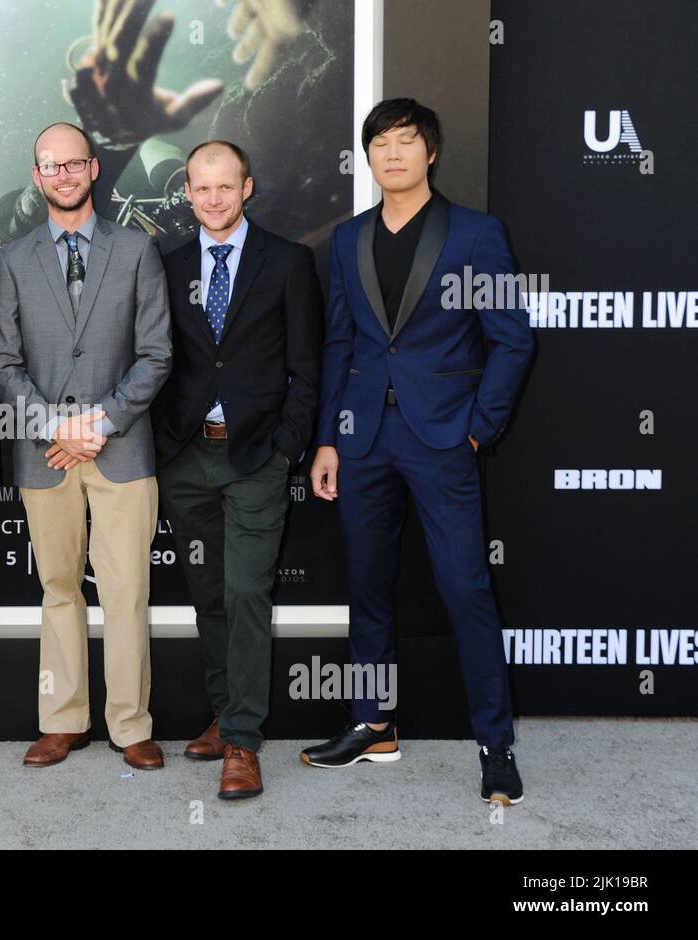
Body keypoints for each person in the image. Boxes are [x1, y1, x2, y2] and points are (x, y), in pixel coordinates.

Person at [305, 99, 534, 805]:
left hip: (443, 438)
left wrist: (478, 428)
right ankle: (373, 723)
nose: (393, 154)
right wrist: (327, 438)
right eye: (380, 143)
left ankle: (495, 744)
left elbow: (512, 338)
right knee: (369, 589)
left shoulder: (476, 234)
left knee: (467, 588)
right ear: (367, 157)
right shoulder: (346, 240)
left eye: (406, 142)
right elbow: (339, 344)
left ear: (430, 152)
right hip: (363, 437)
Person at [0, 122, 172, 770]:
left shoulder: (137, 251)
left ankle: (131, 726)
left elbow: (156, 355)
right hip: (45, 454)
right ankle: (62, 720)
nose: (62, 175)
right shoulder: (12, 260)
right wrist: (53, 426)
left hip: (121, 451)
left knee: (126, 593)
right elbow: (4, 364)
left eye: (73, 164)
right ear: (37, 177)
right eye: (49, 166)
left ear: (93, 170)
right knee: (59, 587)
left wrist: (97, 424)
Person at [153, 140, 322, 799]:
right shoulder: (165, 266)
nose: (214, 198)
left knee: (249, 592)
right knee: (211, 594)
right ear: (188, 192)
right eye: (202, 187)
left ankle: (244, 744)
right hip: (188, 456)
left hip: (256, 454)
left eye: (227, 186)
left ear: (247, 188)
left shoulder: (288, 262)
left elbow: (307, 365)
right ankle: (225, 714)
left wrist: (287, 445)